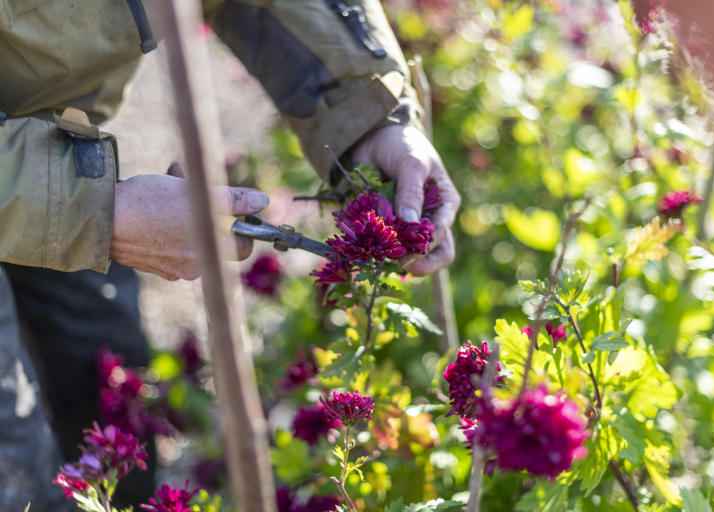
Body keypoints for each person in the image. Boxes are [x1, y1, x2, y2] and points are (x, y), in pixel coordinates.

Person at [0, 1, 460, 510]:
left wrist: (370, 116)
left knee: (109, 399)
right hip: (32, 177)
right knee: (11, 462)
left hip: (45, 138)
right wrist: (83, 207)